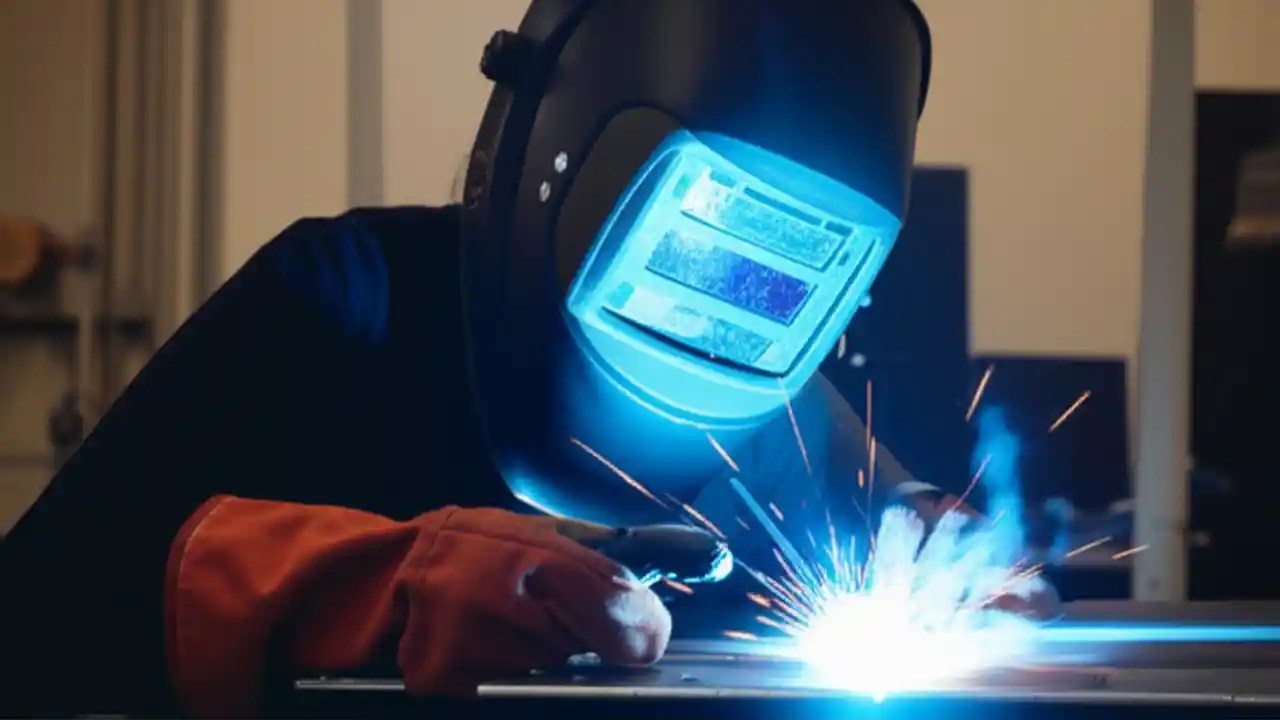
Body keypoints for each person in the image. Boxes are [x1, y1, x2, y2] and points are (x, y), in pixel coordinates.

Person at [0, 1, 1042, 717]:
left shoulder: (764, 410)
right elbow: (39, 617)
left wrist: (936, 541)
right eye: (697, 240)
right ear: (568, 148)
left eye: (783, 280)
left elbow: (887, 517)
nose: (722, 304)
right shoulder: (342, 300)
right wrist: (347, 587)